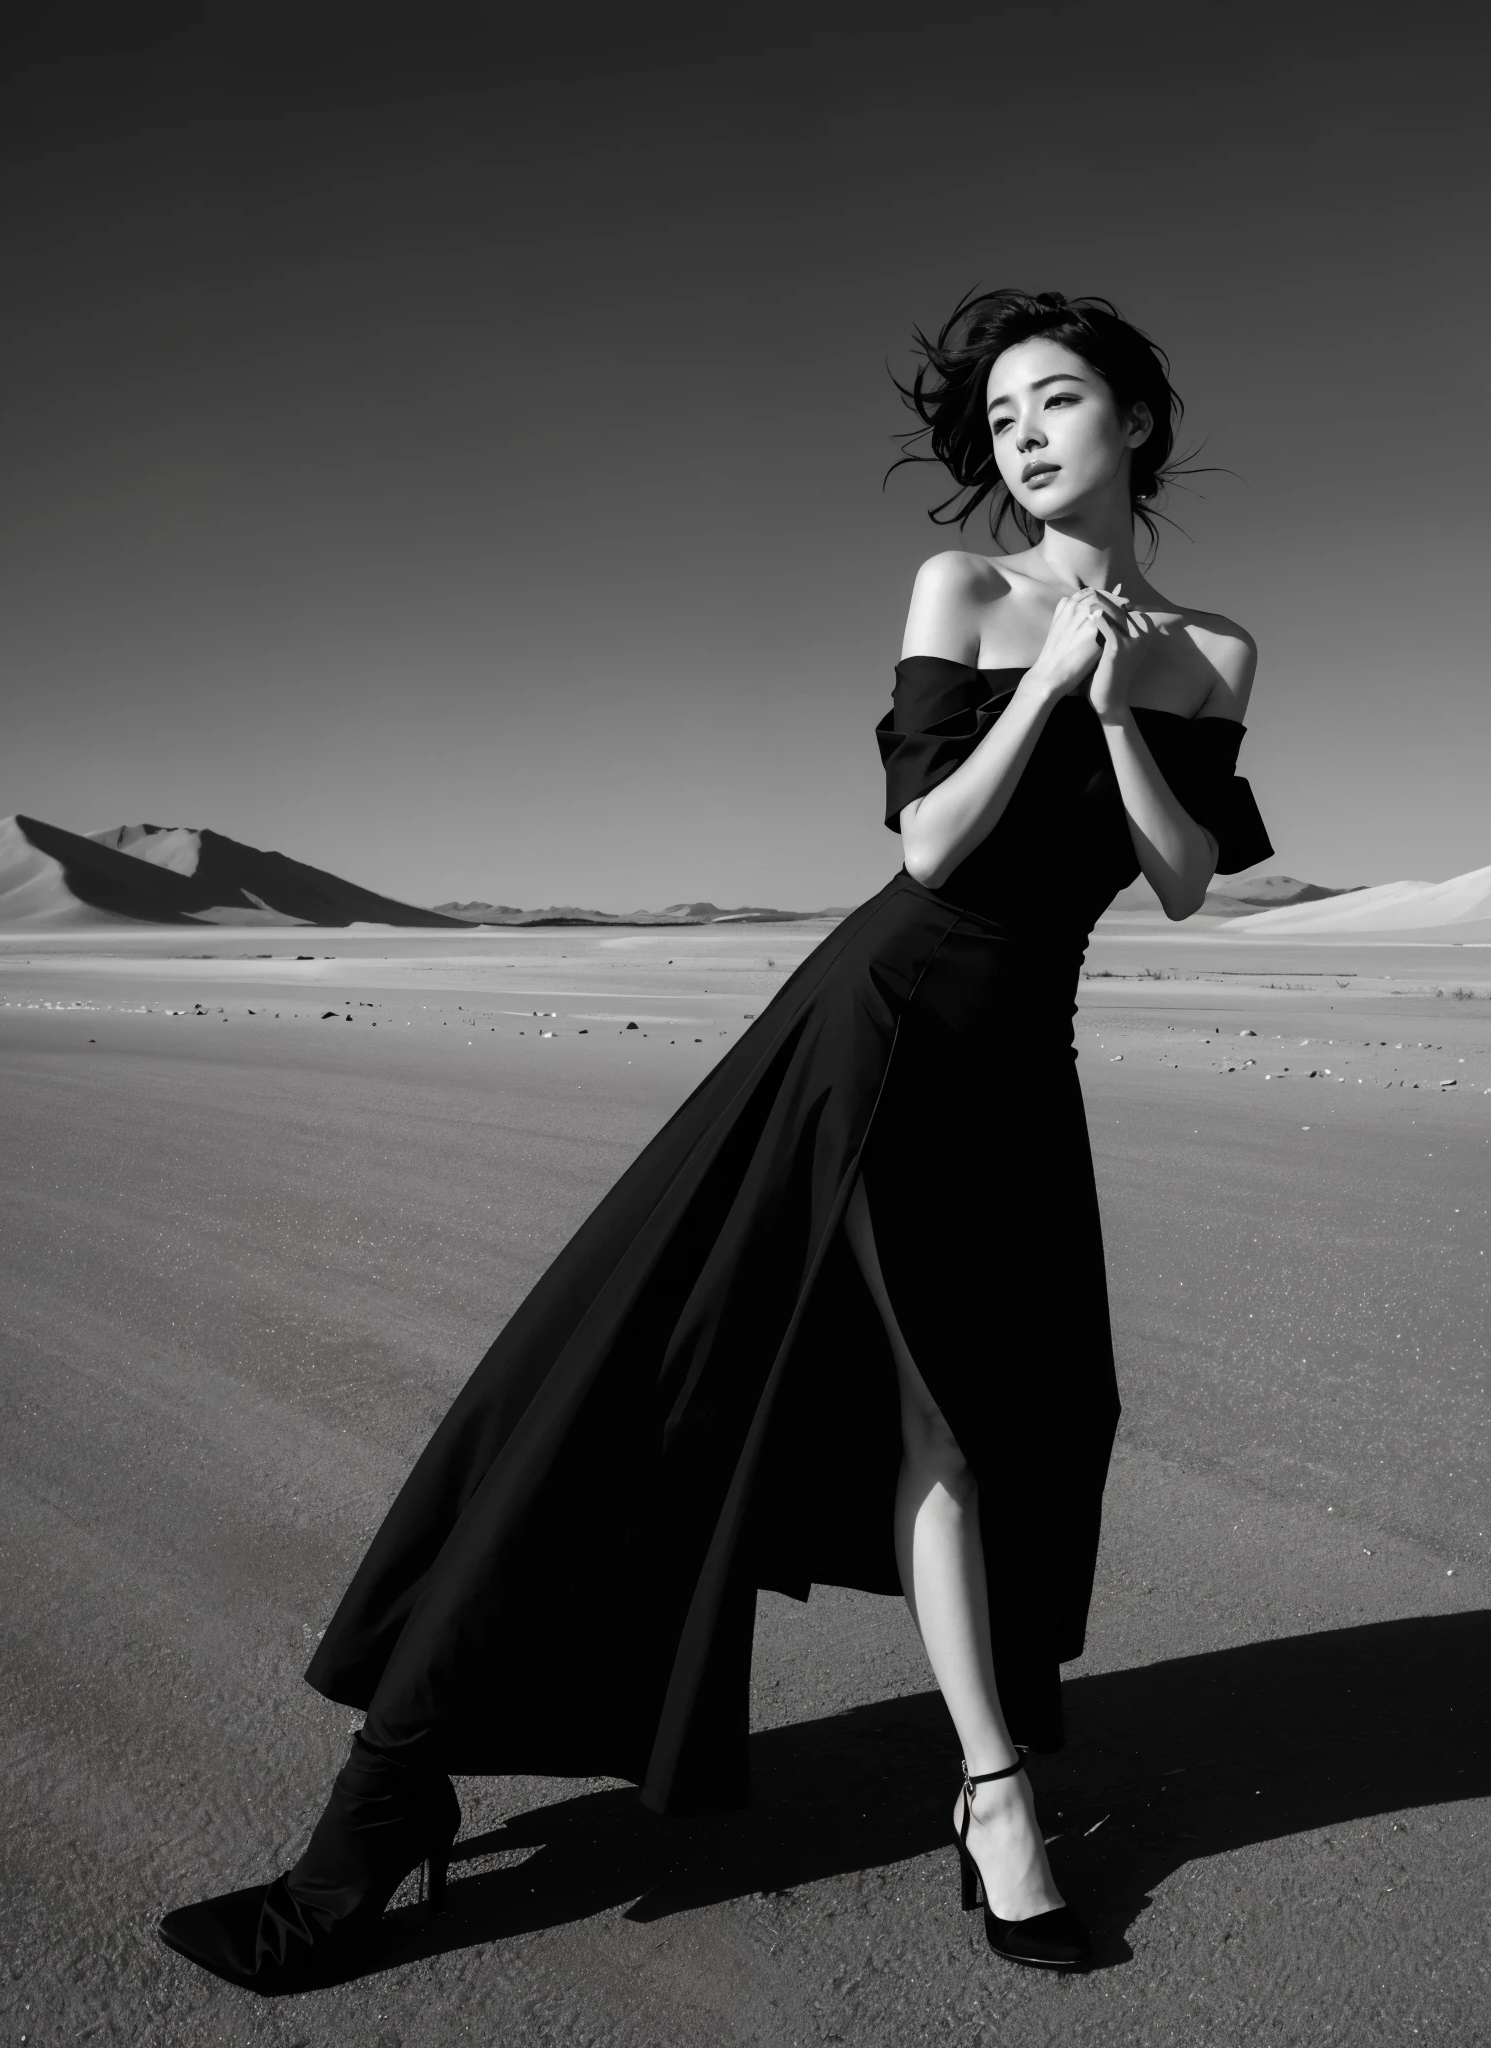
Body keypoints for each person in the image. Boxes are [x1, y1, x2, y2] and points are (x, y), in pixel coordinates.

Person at [157, 287, 1272, 1990]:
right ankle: (393, 1821)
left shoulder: (1217, 651)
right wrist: (1048, 679)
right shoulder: (964, 593)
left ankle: (987, 1799)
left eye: (1055, 402)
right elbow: (928, 850)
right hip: (873, 1037)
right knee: (648, 1379)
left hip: (1016, 1070)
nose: (1024, 436)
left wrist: (1121, 705)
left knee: (1002, 1425)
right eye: (998, 422)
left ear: (1138, 418)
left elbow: (1184, 882)